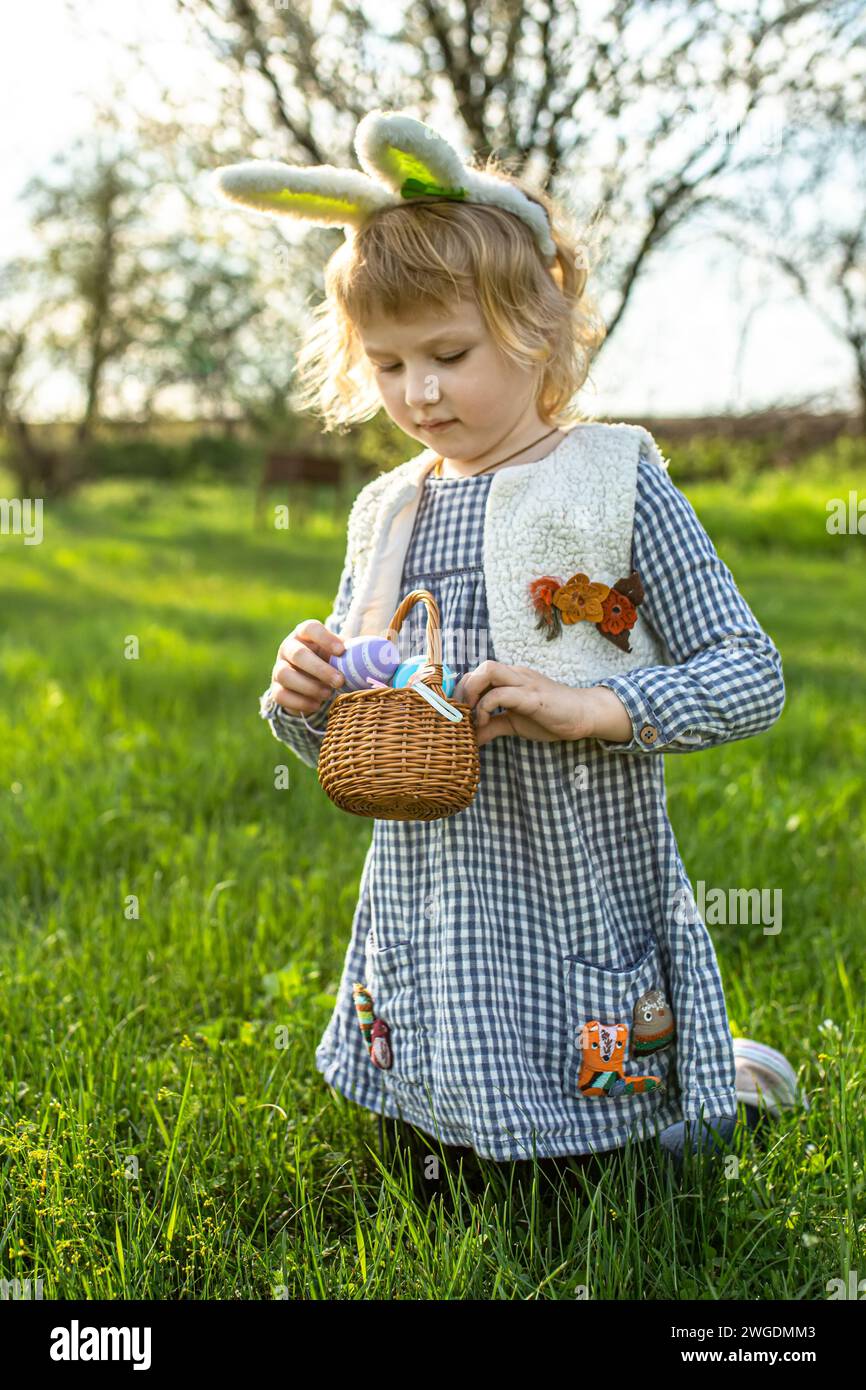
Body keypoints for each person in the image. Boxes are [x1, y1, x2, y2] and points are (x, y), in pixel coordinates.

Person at [214, 109, 797, 1185]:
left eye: (447, 354)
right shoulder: (388, 510)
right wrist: (307, 696)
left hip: (572, 880)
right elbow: (364, 738)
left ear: (535, 330)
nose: (418, 394)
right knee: (436, 1163)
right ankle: (460, 1117)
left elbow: (748, 674)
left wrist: (600, 707)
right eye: (386, 365)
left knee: (614, 1165)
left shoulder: (615, 481)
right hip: (432, 898)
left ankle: (717, 1090)